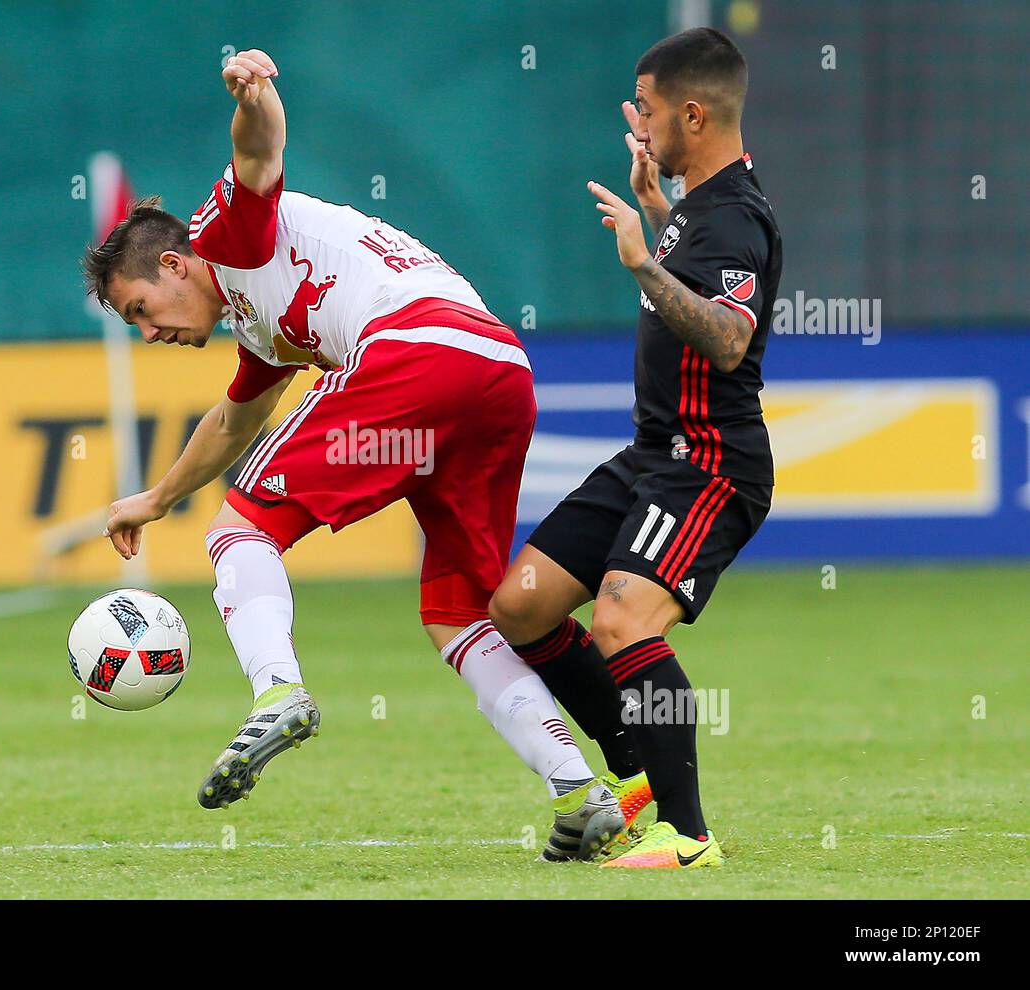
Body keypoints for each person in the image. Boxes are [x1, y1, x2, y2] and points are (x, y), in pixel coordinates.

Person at [84, 49, 623, 860]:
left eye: (141, 310)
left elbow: (259, 150)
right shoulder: (257, 319)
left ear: (171, 264)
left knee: (240, 530)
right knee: (457, 612)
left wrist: (256, 93)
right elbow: (234, 422)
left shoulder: (220, 234)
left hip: (417, 354)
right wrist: (156, 497)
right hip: (497, 376)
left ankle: (277, 693)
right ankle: (582, 793)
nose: (153, 333)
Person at [490, 27, 783, 868]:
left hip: (710, 464)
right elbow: (698, 280)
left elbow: (727, 339)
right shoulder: (698, 206)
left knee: (621, 617)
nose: (639, 123)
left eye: (649, 110)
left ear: (694, 112)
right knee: (521, 605)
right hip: (653, 455)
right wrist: (659, 212)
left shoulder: (734, 216)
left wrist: (644, 267)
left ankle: (689, 837)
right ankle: (635, 771)